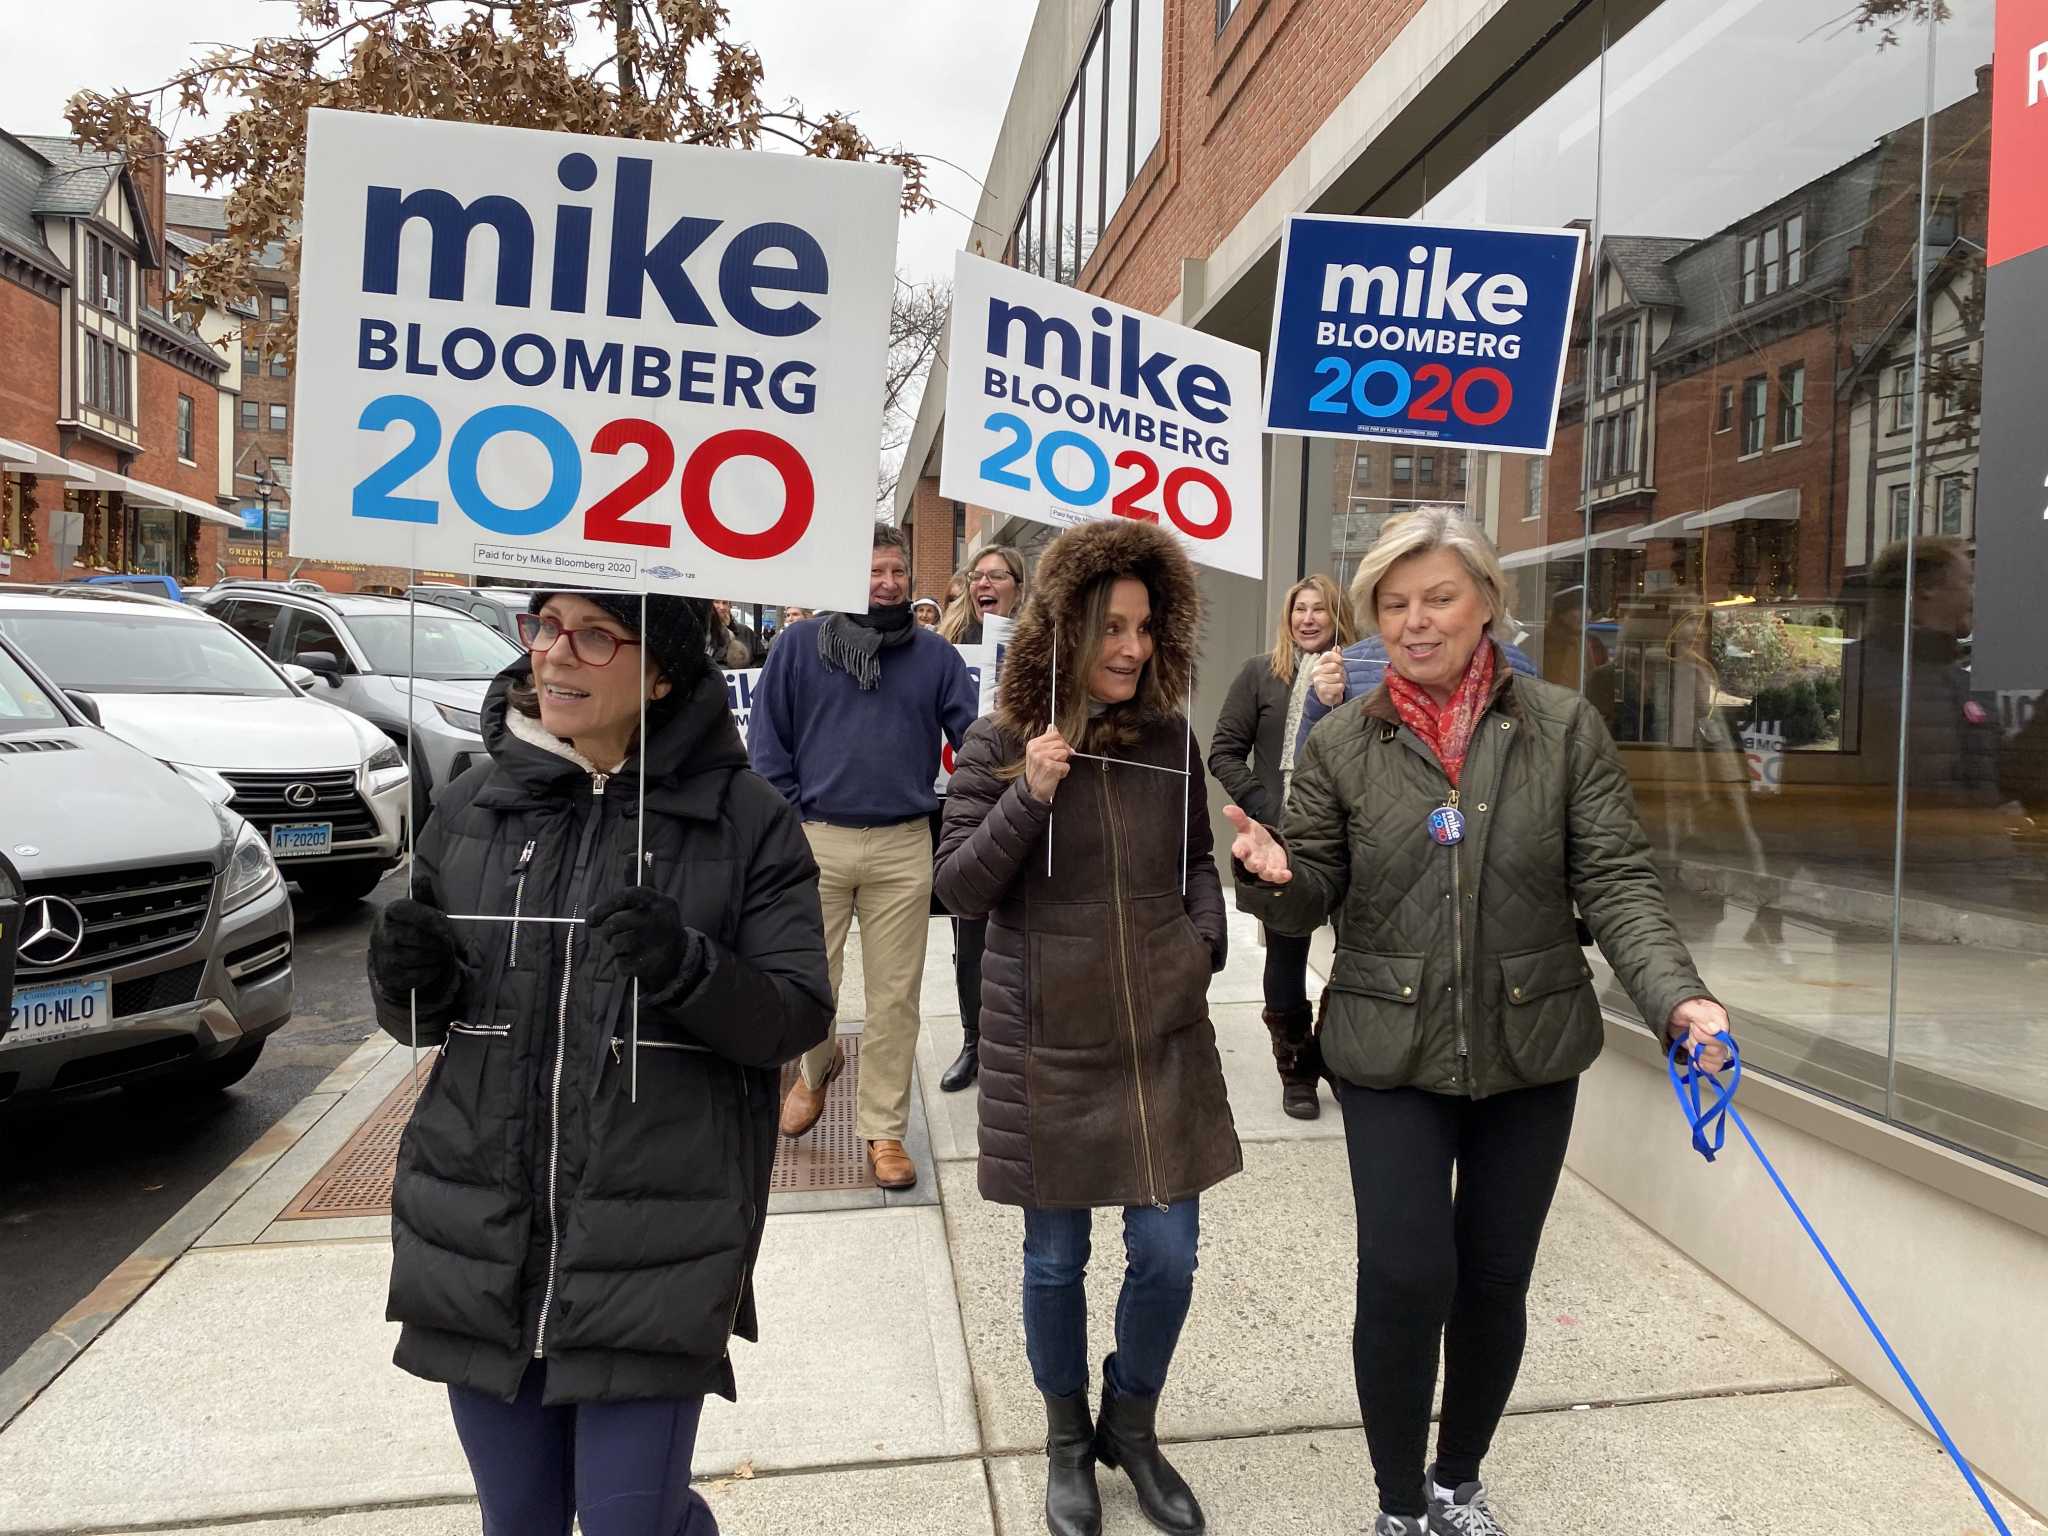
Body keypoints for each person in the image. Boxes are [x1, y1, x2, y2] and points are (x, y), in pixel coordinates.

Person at [1226, 506, 1729, 1536]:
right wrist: (1274, 880)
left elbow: (1617, 882)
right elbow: (1313, 885)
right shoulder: (1339, 742)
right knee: (1408, 1273)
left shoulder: (1560, 726)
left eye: (1437, 598)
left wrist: (1677, 997)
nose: (1415, 622)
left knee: (1493, 1278)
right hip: (1386, 1045)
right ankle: (1397, 1504)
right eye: (1393, 604)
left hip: (1528, 1044)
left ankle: (1457, 1479)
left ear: (1487, 601)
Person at [364, 590, 832, 1536]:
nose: (555, 656)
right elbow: (422, 1023)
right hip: (481, 1245)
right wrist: (406, 980)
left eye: (593, 636)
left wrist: (685, 966)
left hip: (654, 1248)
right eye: (544, 629)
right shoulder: (470, 808)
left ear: (659, 670)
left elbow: (794, 1015)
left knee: (631, 1526)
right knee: (521, 1524)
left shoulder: (744, 822)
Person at [936, 518, 1238, 1536]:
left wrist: (1200, 944)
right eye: (1110, 626)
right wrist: (1027, 792)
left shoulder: (1167, 741)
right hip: (1047, 1047)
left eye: (1146, 627)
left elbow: (1199, 857)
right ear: (1062, 629)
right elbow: (959, 886)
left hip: (1158, 1039)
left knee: (1168, 1255)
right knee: (1053, 1263)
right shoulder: (996, 743)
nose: (1131, 647)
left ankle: (1131, 1422)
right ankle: (1068, 1439)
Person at [750, 524, 980, 1189]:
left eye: (896, 572)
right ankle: (816, 1070)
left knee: (895, 998)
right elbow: (768, 751)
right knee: (808, 983)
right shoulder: (797, 647)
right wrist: (791, 824)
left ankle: (883, 1129)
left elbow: (975, 739)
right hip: (813, 839)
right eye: (872, 571)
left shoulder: (936, 658)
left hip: (904, 844)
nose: (886, 583)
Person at [1206, 573, 1357, 1119]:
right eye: (1299, 609)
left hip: (1356, 840)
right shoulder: (1260, 674)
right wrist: (1265, 809)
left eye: (1320, 609)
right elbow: (1222, 751)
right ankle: (1294, 1066)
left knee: (1356, 957)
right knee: (1288, 952)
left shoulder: (1363, 675)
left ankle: (1333, 1055)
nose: (1308, 619)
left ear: (1339, 616)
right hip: (1285, 840)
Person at [933, 542, 1029, 1093]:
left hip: (1026, 791)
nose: (985, 583)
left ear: (1019, 584)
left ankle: (1018, 1041)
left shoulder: (1044, 640)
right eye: (977, 575)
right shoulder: (946, 646)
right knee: (971, 930)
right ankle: (974, 1041)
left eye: (998, 575)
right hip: (966, 796)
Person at [941, 543, 1028, 644]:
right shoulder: (945, 643)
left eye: (997, 576)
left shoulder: (1044, 648)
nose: (982, 584)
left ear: (1019, 592)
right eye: (976, 577)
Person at [711, 599, 766, 666]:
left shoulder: (745, 632)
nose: (722, 607)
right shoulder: (705, 635)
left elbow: (762, 659)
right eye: (717, 602)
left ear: (729, 606)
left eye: (725, 603)